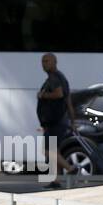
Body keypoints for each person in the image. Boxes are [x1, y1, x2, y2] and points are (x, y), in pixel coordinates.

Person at [36, 53, 76, 187]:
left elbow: (58, 94)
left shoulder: (55, 78)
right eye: (43, 61)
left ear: (54, 62)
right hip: (58, 121)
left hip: (55, 121)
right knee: (55, 151)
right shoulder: (60, 78)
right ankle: (56, 180)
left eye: (47, 61)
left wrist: (43, 95)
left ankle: (70, 168)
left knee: (47, 151)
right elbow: (68, 101)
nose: (44, 64)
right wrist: (72, 121)